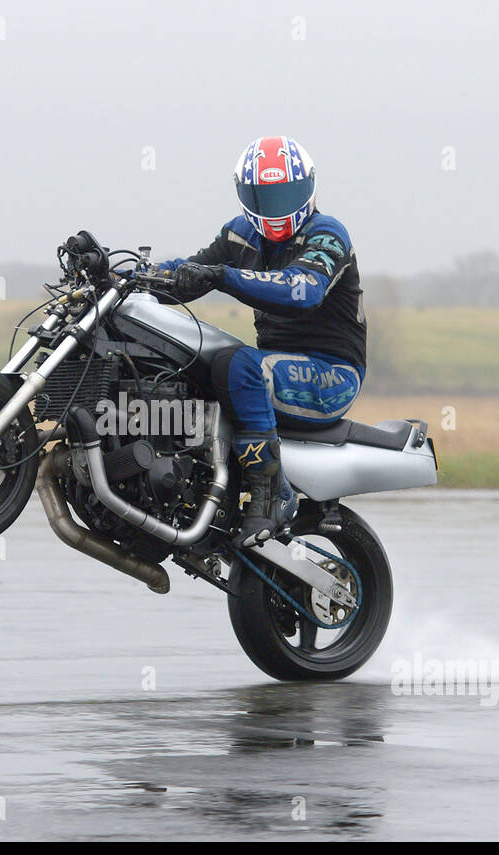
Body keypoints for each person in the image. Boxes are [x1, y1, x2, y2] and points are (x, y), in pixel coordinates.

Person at [157, 135, 366, 546]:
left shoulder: (327, 234)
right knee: (190, 367)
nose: (276, 208)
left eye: (287, 193)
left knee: (236, 363)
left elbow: (302, 290)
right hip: (276, 364)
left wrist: (223, 276)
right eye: (264, 196)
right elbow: (188, 271)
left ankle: (273, 495)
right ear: (244, 194)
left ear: (309, 187)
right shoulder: (239, 235)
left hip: (332, 373)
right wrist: (119, 275)